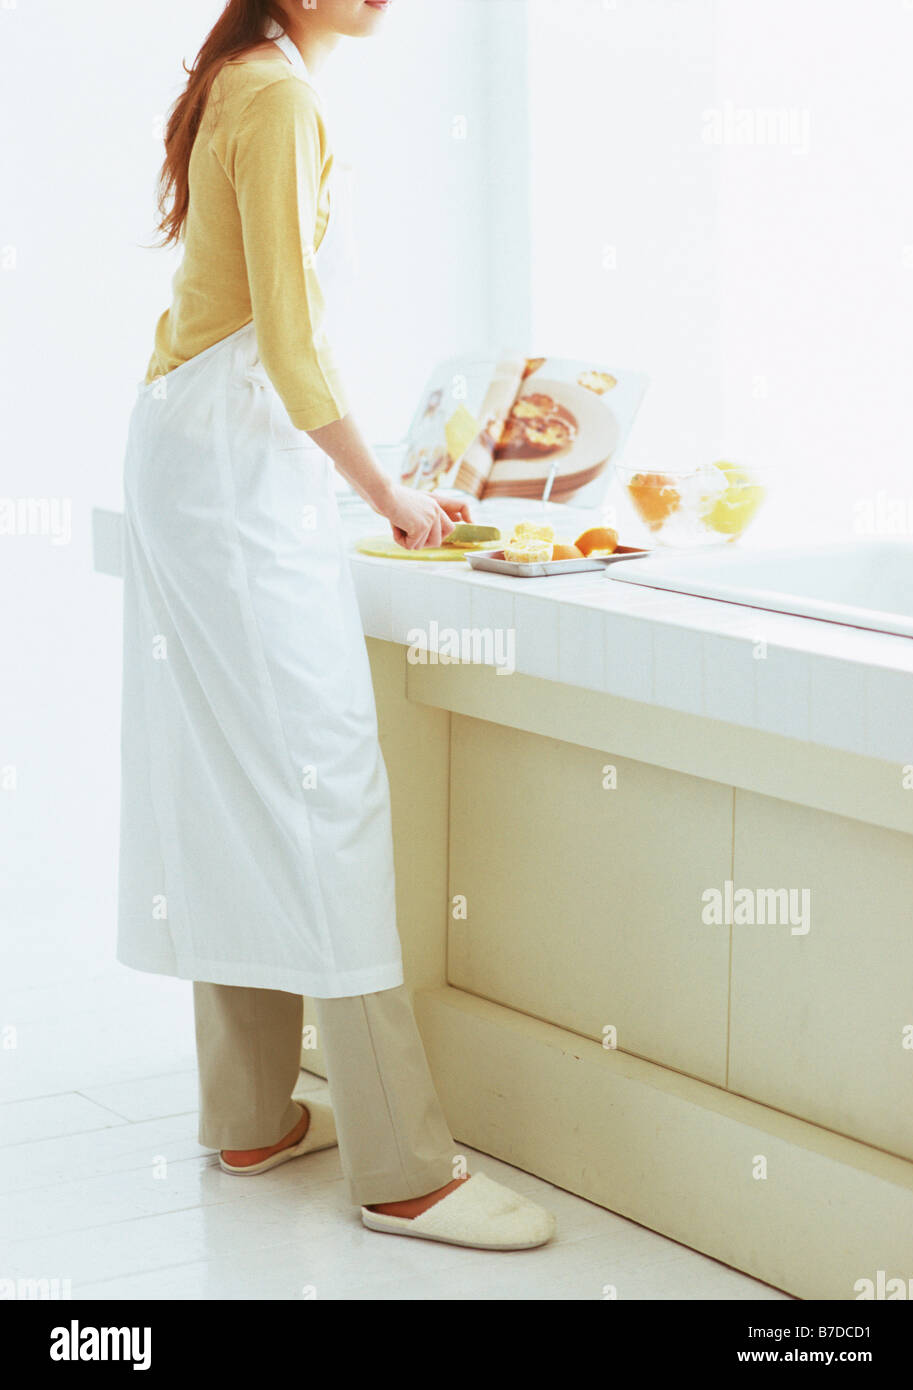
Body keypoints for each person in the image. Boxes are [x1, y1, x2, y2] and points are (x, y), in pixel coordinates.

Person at [117, 0, 555, 1252]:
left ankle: (250, 1111)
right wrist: (395, 492)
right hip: (232, 470)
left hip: (197, 455)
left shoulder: (249, 78)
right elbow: (295, 347)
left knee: (235, 776)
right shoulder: (282, 94)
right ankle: (405, 1171)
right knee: (323, 785)